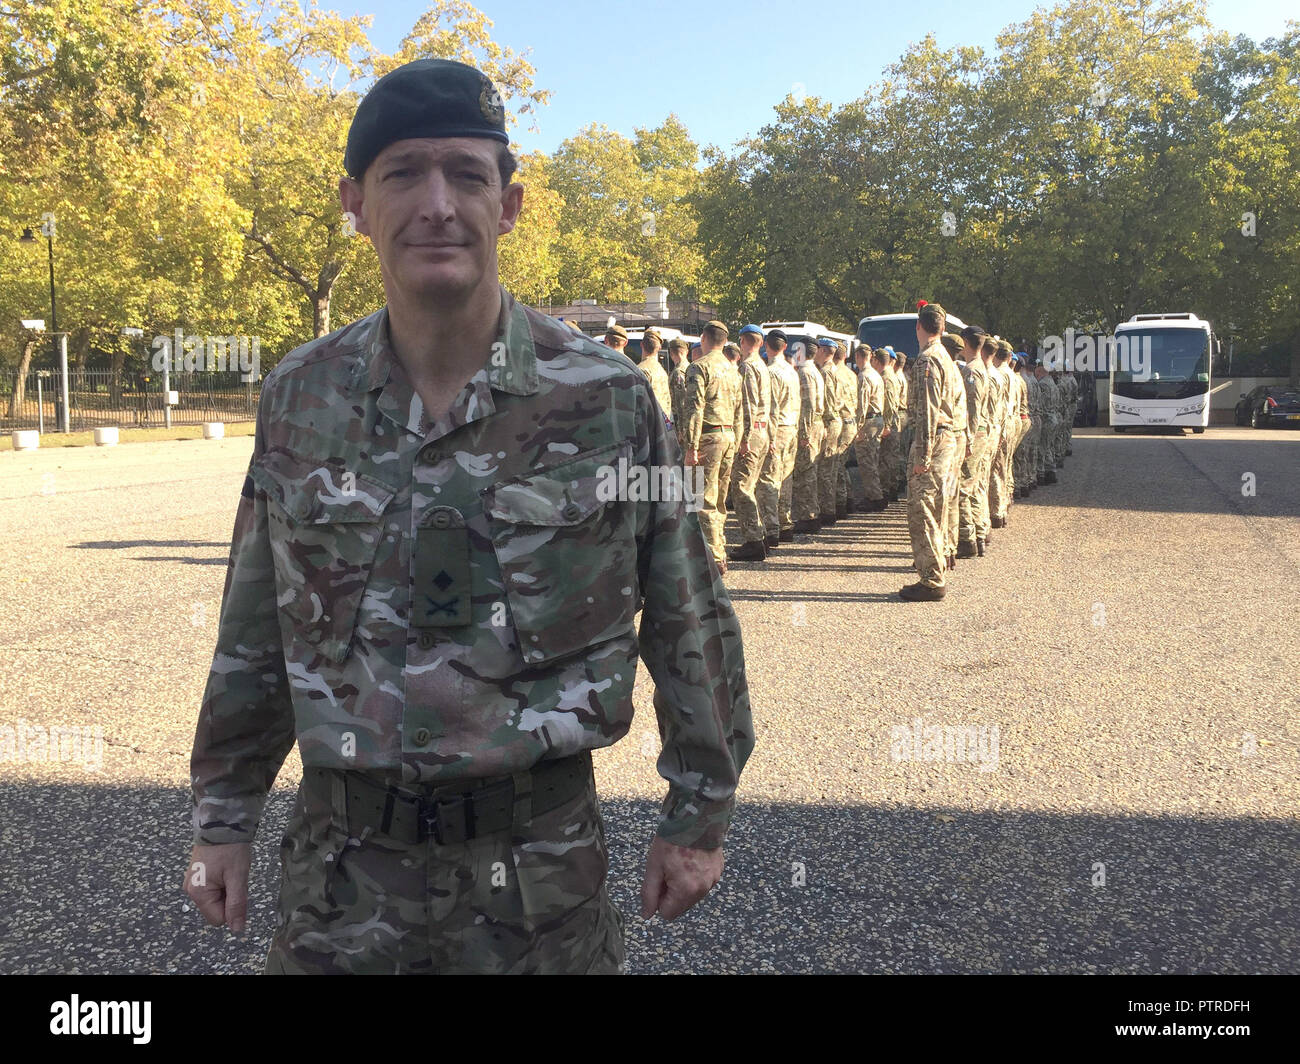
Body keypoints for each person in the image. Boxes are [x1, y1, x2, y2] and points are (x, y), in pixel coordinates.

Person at [183, 58, 753, 975]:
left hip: (540, 878)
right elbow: (255, 619)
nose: (437, 203)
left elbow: (688, 608)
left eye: (467, 174)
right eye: (403, 173)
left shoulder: (606, 400)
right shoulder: (302, 395)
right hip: (341, 879)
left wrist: (699, 814)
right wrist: (223, 816)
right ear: (356, 202)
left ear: (510, 204)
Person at [899, 302, 958, 601]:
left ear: (919, 327)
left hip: (932, 442)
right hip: (947, 440)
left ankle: (932, 580)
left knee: (922, 510)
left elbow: (926, 412)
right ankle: (936, 569)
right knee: (937, 508)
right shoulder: (946, 357)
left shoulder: (926, 360)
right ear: (943, 328)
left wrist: (921, 456)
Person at [683, 321, 742, 574]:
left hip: (707, 437)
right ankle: (720, 547)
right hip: (728, 435)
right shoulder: (733, 370)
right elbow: (740, 411)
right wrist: (737, 440)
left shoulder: (699, 367)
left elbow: (694, 410)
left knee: (702, 499)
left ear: (704, 337)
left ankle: (714, 558)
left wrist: (690, 447)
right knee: (719, 500)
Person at [728, 325, 773, 562]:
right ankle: (760, 536)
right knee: (751, 486)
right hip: (762, 431)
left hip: (752, 433)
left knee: (742, 487)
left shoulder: (747, 366)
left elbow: (748, 405)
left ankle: (753, 541)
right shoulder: (763, 366)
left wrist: (744, 439)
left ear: (744, 341)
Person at [756, 329, 799, 544]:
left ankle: (772, 529)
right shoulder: (791, 371)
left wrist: (770, 438)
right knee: (785, 478)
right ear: (784, 347)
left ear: (766, 345)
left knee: (768, 480)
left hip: (778, 428)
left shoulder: (771, 372)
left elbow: (771, 408)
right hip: (791, 427)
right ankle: (785, 522)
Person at [955, 325, 992, 557]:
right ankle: (979, 533)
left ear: (966, 342)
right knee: (974, 484)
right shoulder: (981, 368)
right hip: (980, 431)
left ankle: (967, 539)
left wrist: (967, 440)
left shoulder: (971, 371)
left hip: (974, 433)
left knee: (963, 487)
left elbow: (973, 407)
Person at [791, 338, 826, 534]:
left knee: (806, 473)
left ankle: (809, 516)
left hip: (809, 426)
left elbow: (809, 404)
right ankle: (810, 514)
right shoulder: (814, 371)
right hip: (815, 424)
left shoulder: (805, 372)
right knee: (809, 471)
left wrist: (804, 433)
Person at [853, 346, 887, 511]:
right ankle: (875, 495)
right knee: (873, 458)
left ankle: (874, 497)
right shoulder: (876, 374)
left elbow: (862, 404)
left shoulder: (864, 376)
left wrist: (858, 427)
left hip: (869, 420)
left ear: (858, 356)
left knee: (867, 462)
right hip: (877, 418)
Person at [815, 338, 843, 525]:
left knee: (825, 469)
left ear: (824, 351)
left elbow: (829, 401)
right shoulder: (835, 370)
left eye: (818, 349)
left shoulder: (826, 371)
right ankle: (829, 508)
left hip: (830, 421)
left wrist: (825, 422)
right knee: (830, 468)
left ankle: (826, 511)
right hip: (836, 419)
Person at [832, 342, 858, 517]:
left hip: (841, 421)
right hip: (851, 421)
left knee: (837, 465)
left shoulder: (834, 373)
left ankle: (842, 503)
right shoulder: (851, 374)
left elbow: (835, 402)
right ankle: (848, 499)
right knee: (842, 464)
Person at [637, 327, 673, 426]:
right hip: (663, 424)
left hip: (648, 425)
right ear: (659, 348)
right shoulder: (662, 371)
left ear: (641, 345)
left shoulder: (640, 370)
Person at [667, 337, 690, 454]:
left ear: (671, 353)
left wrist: (681, 429)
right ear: (686, 352)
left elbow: (681, 402)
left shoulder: (678, 372)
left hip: (682, 427)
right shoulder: (691, 368)